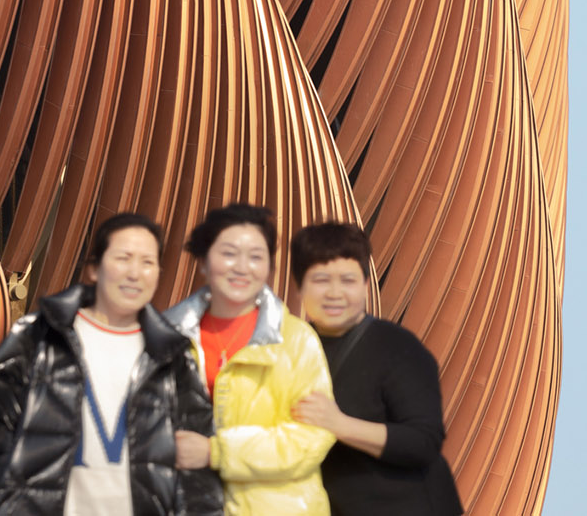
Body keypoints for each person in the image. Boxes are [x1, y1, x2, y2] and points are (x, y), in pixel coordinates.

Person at [0, 212, 221, 516]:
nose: (135, 273)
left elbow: (198, 470)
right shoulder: (38, 337)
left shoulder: (172, 356)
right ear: (95, 268)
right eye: (123, 258)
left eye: (147, 262)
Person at [165, 203, 335, 516]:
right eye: (229, 253)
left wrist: (215, 452)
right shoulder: (165, 337)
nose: (242, 267)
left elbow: (311, 437)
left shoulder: (295, 340)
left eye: (256, 256)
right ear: (203, 261)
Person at [286, 222, 463, 516]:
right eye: (321, 280)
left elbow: (422, 442)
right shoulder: (289, 351)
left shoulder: (397, 349)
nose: (335, 293)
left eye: (348, 280)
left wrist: (339, 425)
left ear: (366, 286)